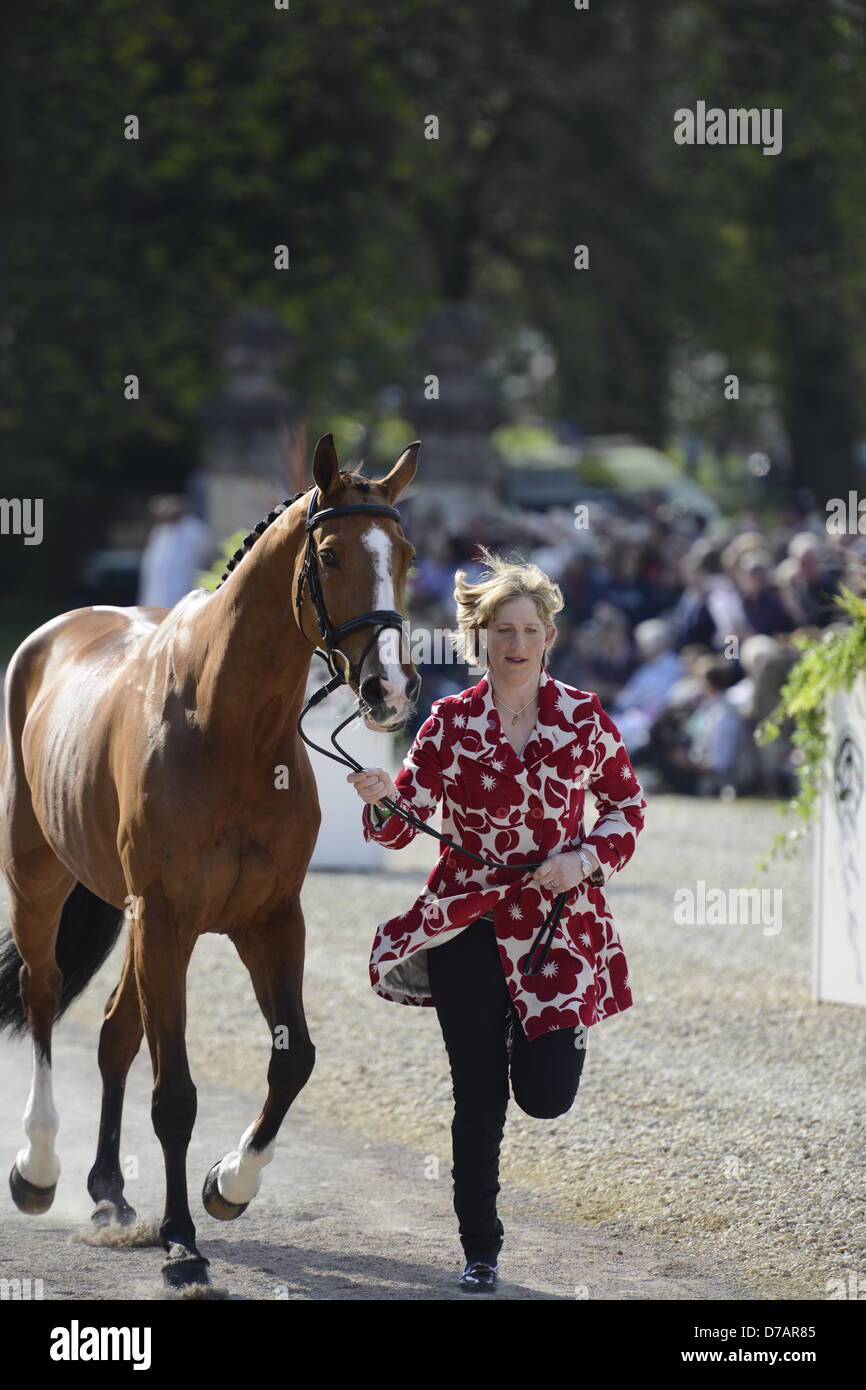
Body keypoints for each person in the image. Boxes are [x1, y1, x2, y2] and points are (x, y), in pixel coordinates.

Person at [346, 549, 647, 1293]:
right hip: (466, 922)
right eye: (500, 630)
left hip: (556, 927)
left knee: (544, 1096)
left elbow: (627, 808)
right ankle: (480, 1250)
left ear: (549, 636)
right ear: (477, 638)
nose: (515, 644)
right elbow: (398, 827)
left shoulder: (582, 716)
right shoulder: (449, 722)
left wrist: (582, 860)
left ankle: (544, 1031)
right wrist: (381, 796)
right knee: (477, 1096)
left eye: (528, 629)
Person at [137, 494, 215, 610]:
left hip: (187, 598)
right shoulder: (160, 532)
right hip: (157, 601)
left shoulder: (195, 530)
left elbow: (209, 559)